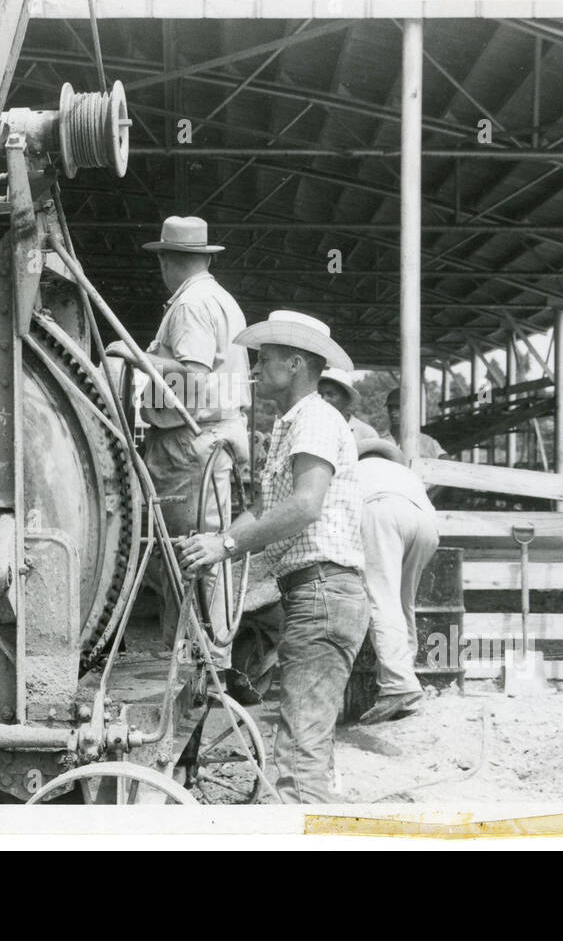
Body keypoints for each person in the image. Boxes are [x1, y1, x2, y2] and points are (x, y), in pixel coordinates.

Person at [178, 310, 368, 804]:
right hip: (316, 593)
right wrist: (213, 546)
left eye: (265, 359)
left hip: (323, 591)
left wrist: (227, 545)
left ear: (298, 363)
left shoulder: (316, 421)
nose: (256, 369)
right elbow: (262, 511)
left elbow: (305, 505)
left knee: (299, 757)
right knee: (306, 743)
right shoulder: (292, 424)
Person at [104, 216, 250, 667]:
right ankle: (206, 655)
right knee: (201, 547)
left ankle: (197, 658)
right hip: (212, 437)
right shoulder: (221, 300)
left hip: (191, 441)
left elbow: (193, 379)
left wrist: (136, 356)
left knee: (186, 552)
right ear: (204, 257)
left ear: (167, 260)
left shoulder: (190, 306)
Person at [353, 438, 441, 724]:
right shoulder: (405, 474)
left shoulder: (354, 471)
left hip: (382, 512)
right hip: (425, 523)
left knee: (381, 600)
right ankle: (406, 679)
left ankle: (397, 685)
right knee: (404, 603)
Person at [317, 367, 378, 443]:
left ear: (346, 399)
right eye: (320, 394)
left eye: (330, 394)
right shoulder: (313, 428)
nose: (323, 399)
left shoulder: (366, 434)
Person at [385, 386, 447, 459]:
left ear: (409, 409)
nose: (393, 412)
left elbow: (450, 464)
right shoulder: (380, 441)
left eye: (398, 407)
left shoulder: (426, 442)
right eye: (390, 407)